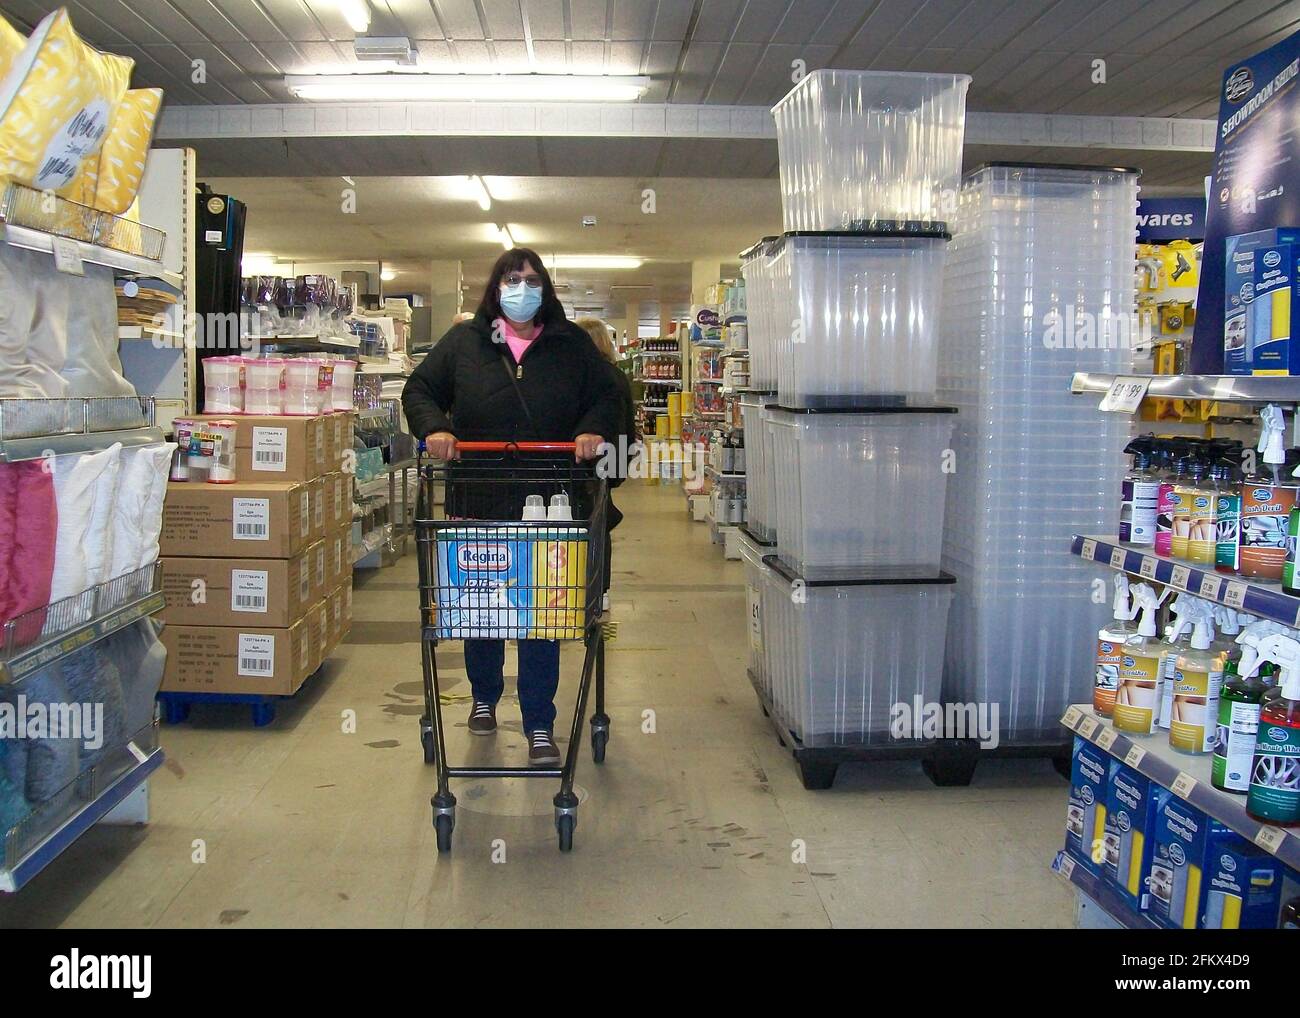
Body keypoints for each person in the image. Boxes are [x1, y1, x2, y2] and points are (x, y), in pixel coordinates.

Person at [402, 248, 623, 765]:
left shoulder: (569, 345)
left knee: (540, 611)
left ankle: (540, 721)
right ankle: (483, 695)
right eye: (511, 279)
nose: (520, 288)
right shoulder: (465, 342)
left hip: (548, 500)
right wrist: (435, 428)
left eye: (530, 279)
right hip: (478, 496)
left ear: (544, 288)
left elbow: (608, 395)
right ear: (494, 288)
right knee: (483, 607)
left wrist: (592, 428)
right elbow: (419, 388)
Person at [574, 317, 637, 604]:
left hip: (583, 462)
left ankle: (583, 585)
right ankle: (601, 589)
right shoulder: (616, 376)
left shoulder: (582, 377)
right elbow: (628, 424)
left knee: (581, 523)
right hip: (608, 460)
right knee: (599, 521)